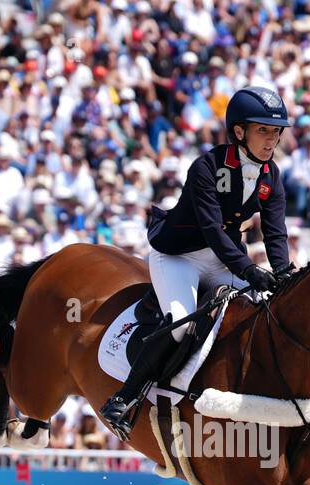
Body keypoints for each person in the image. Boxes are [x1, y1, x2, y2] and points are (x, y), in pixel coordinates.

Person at [98, 86, 294, 439]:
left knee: (263, 314)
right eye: (263, 130)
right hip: (180, 257)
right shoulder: (207, 166)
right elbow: (212, 231)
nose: (271, 140)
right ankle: (125, 397)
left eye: (276, 132)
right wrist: (249, 270)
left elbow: (275, 232)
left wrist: (283, 273)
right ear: (239, 132)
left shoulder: (271, 176)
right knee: (179, 325)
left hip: (224, 262)